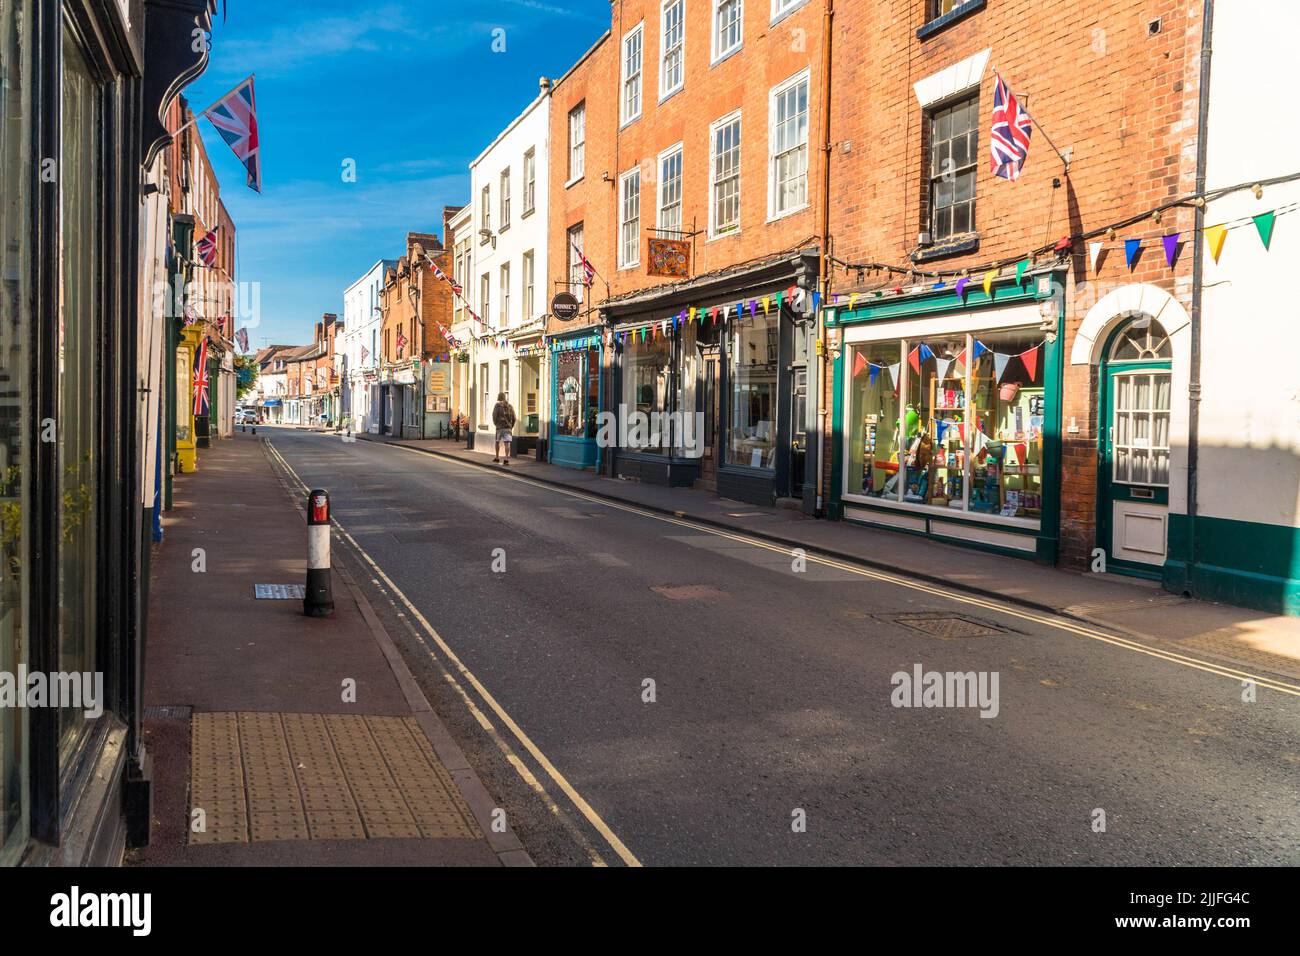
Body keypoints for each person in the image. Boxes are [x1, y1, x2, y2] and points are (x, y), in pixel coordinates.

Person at [492, 392, 516, 465]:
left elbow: (494, 416)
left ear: (499, 398)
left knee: (497, 442)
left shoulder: (497, 405)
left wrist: (496, 424)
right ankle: (506, 459)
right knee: (507, 444)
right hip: (508, 428)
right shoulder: (510, 406)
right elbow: (514, 417)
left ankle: (497, 457)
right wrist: (511, 426)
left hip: (499, 428)